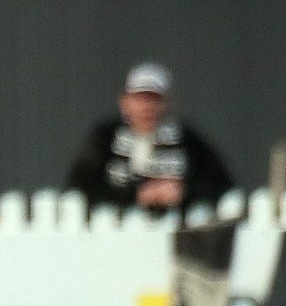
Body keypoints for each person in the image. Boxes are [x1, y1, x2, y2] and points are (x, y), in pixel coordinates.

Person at [64, 62, 235, 214]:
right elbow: (81, 185)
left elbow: (221, 184)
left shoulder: (186, 139)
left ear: (166, 104)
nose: (147, 107)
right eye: (140, 99)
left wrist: (183, 192)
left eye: (154, 100)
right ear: (124, 102)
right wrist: (138, 195)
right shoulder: (106, 137)